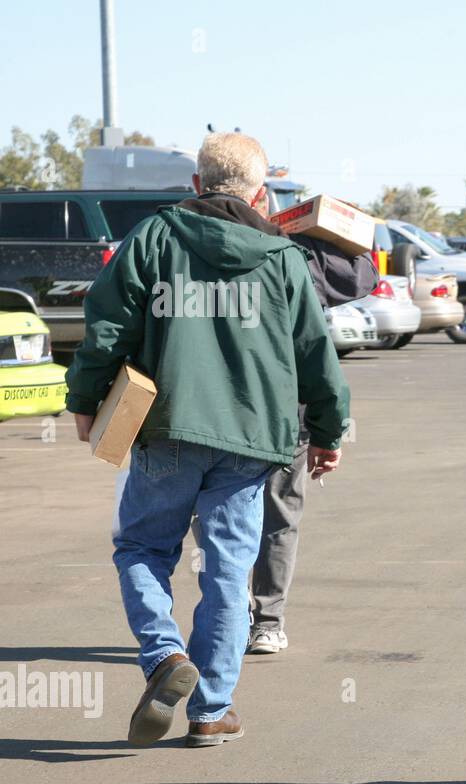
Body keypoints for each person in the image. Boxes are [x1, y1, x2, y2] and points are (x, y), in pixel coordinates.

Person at [64, 132, 350, 748]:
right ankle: (212, 710)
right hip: (251, 440)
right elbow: (315, 354)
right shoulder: (283, 258)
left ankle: (166, 655)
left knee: (142, 547)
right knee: (228, 569)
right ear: (261, 193)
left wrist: (84, 401)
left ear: (195, 184)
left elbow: (106, 325)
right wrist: (329, 430)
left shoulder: (154, 238)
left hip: (165, 428)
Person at [244, 191, 378, 655]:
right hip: (289, 411)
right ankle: (267, 621)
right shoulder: (298, 254)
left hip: (222, 408)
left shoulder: (188, 244)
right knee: (278, 515)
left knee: (219, 517)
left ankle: (230, 616)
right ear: (262, 197)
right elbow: (363, 276)